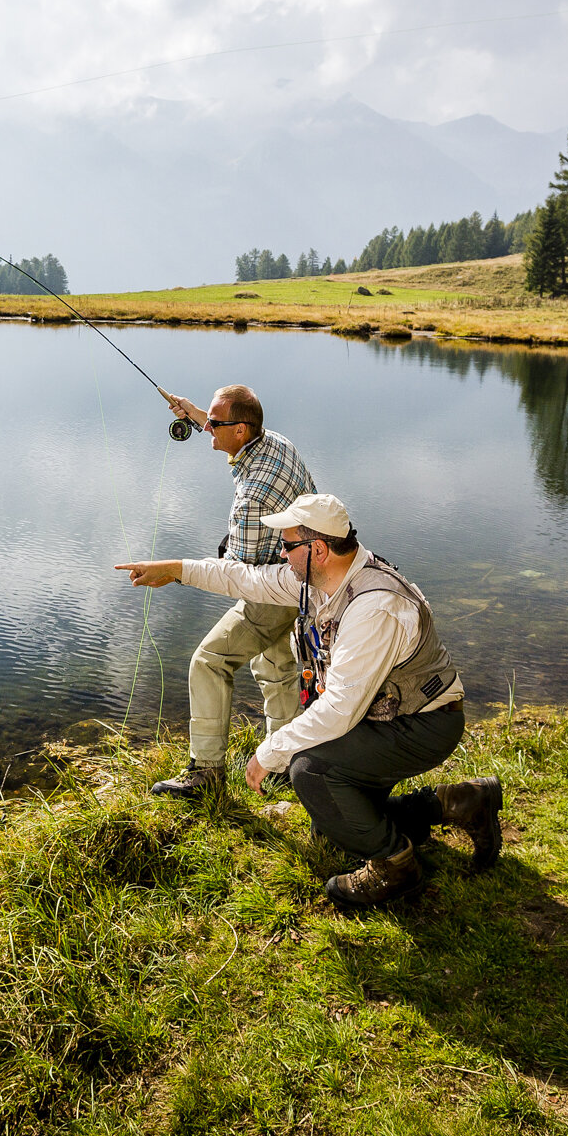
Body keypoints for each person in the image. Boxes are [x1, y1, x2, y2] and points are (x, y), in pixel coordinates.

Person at [116, 493, 501, 908]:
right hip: (383, 717)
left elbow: (338, 709)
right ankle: (460, 802)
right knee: (332, 824)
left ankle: (396, 867)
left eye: (286, 546)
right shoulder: (320, 580)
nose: (281, 556)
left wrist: (269, 752)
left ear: (317, 549)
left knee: (309, 771)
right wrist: (174, 570)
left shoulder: (374, 607)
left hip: (422, 723)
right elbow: (245, 579)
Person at [148, 383, 317, 800]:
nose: (208, 428)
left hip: (277, 587)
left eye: (215, 424)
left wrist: (175, 571)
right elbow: (224, 427)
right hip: (310, 578)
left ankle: (206, 772)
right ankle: (284, 761)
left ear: (241, 430)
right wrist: (194, 414)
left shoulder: (253, 497)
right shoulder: (273, 441)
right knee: (274, 664)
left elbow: (237, 576)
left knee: (209, 660)